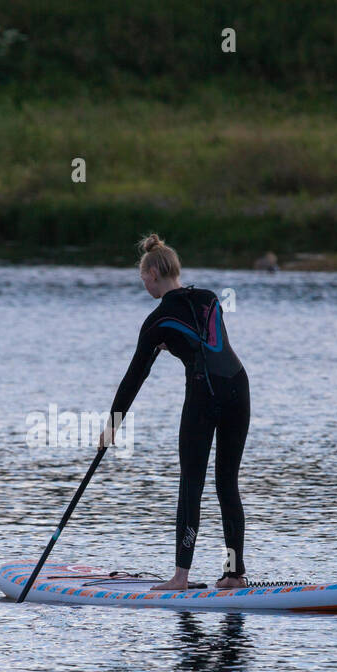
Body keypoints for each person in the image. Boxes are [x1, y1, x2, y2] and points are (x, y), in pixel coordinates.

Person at [99, 234, 252, 590]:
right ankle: (234, 574)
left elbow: (135, 376)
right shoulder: (211, 299)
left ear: (153, 273)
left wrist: (112, 426)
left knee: (191, 485)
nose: (144, 286)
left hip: (204, 395)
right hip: (239, 388)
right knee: (227, 483)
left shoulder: (157, 321)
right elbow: (206, 341)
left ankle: (181, 577)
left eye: (143, 279)